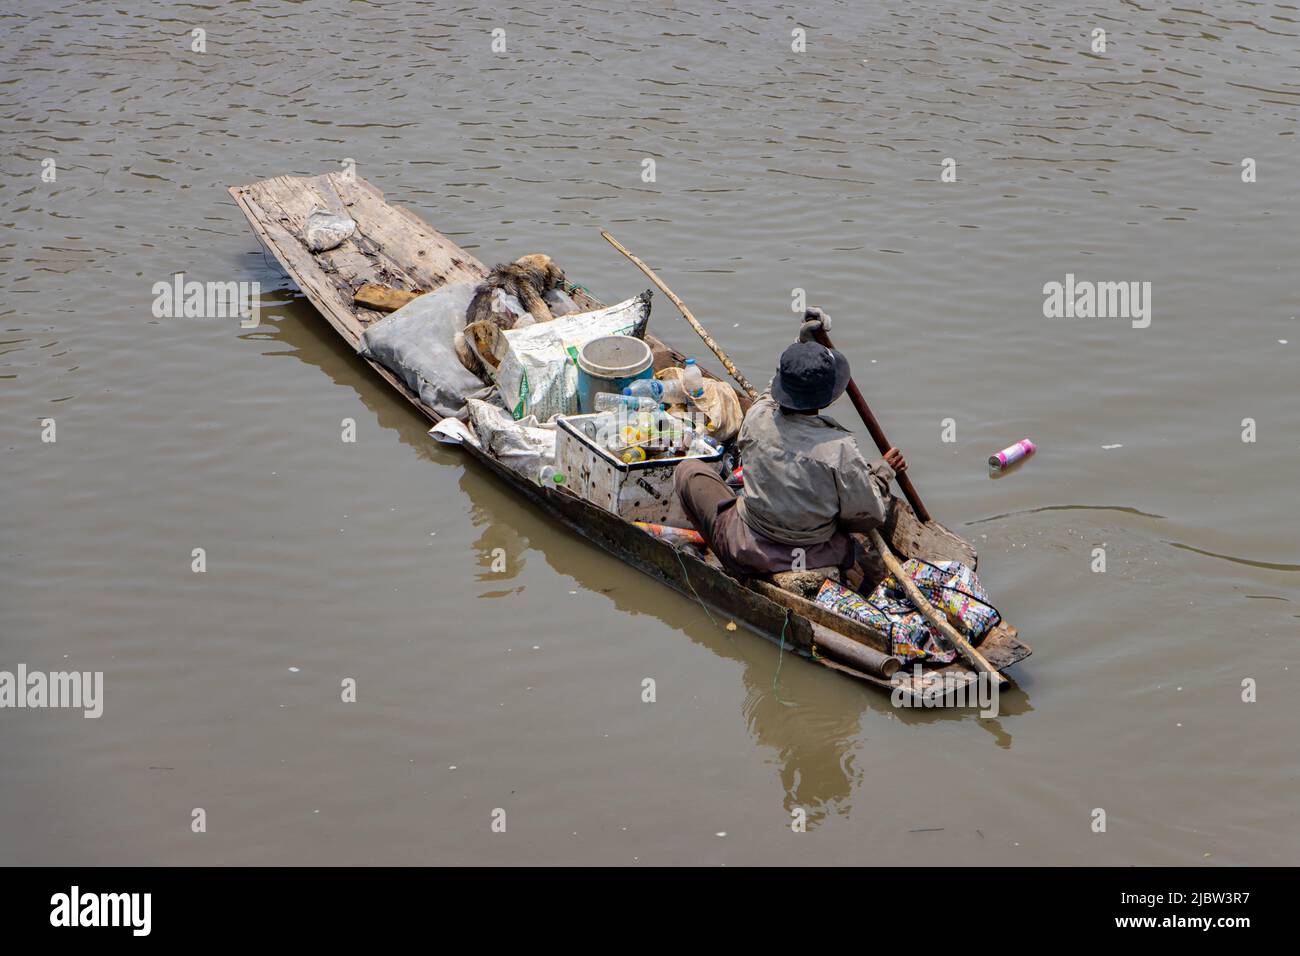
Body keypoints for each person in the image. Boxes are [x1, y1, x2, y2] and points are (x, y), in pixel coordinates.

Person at [673, 309, 906, 581]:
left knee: (687, 471)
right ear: (828, 399)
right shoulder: (840, 448)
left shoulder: (757, 417)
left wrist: (802, 341)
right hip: (816, 554)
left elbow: (773, 389)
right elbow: (868, 515)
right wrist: (883, 472)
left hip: (746, 549)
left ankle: (723, 561)